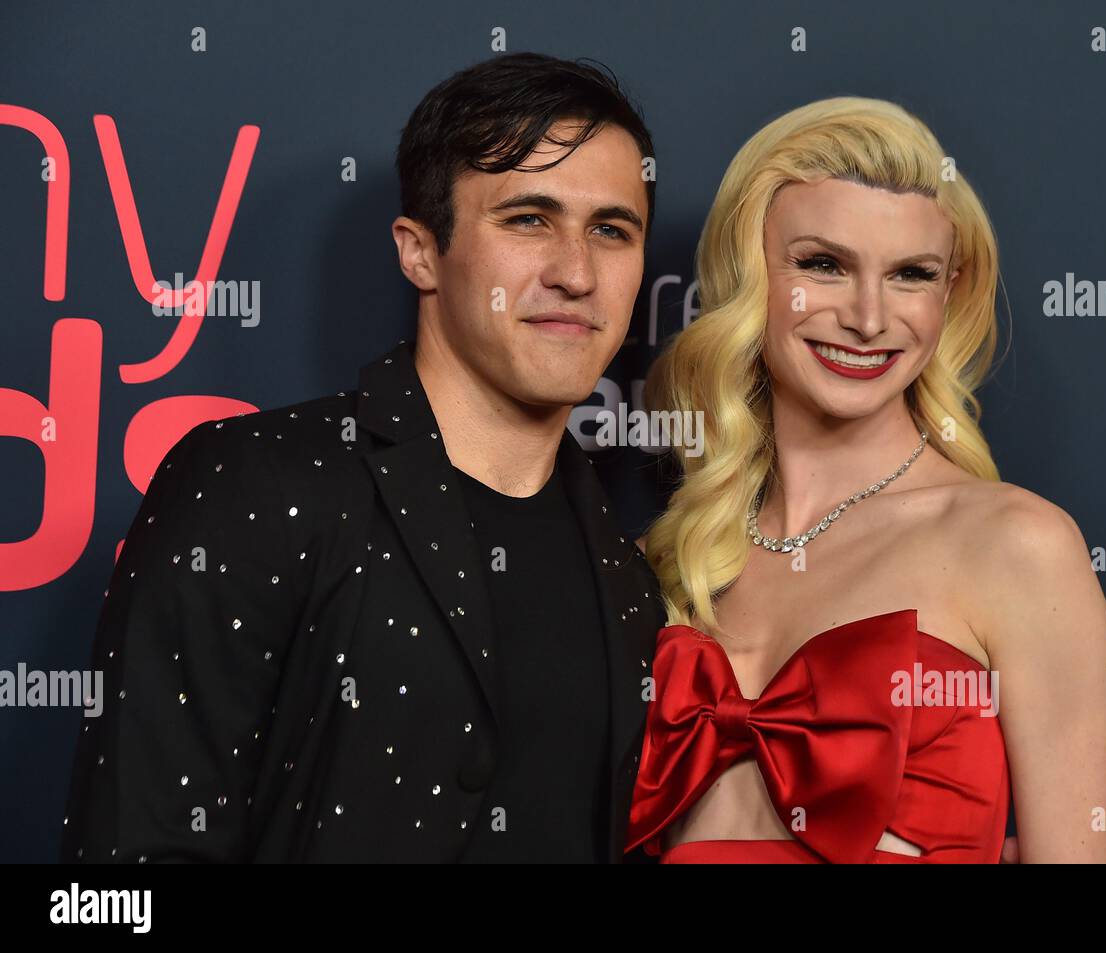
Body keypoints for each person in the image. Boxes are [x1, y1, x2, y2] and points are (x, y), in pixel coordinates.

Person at [60, 52, 665, 863]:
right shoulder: (254, 483)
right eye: (528, 219)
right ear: (420, 252)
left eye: (611, 231)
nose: (576, 273)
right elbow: (119, 876)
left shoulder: (634, 582)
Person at [626, 97, 1106, 863]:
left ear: (948, 294)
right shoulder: (670, 559)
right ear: (750, 273)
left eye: (911, 274)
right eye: (823, 265)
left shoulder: (1018, 546)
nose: (866, 316)